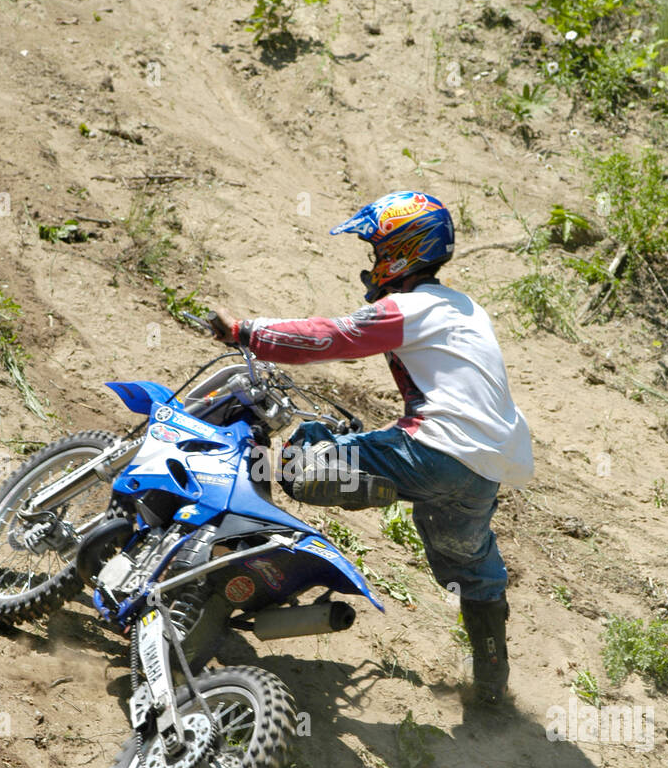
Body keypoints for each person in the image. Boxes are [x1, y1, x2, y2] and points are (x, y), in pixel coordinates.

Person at [207, 190, 534, 703]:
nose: (375, 263)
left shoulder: (412, 306)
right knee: (473, 572)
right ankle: (492, 688)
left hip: (434, 449)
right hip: (483, 470)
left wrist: (247, 333)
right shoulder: (467, 309)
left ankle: (243, 555)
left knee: (301, 461)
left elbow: (330, 337)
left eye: (378, 252)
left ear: (403, 251)